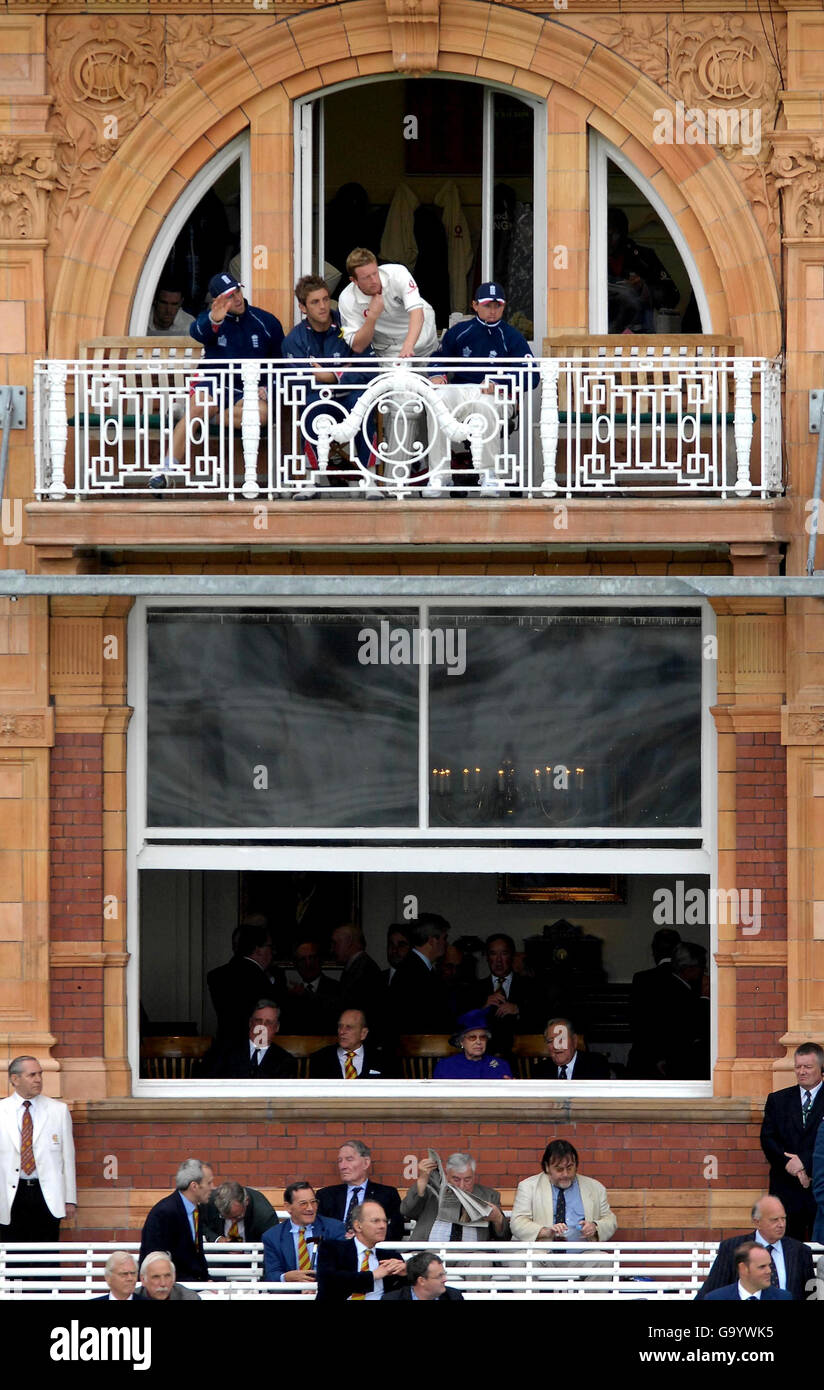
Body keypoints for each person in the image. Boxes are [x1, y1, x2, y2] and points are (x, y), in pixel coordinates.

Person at [151, 272, 283, 490]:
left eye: (237, 291)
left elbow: (281, 364)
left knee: (262, 414)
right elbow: (197, 332)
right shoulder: (211, 318)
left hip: (245, 390)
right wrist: (215, 319)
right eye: (229, 296)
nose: (237, 298)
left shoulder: (265, 321)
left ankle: (194, 416)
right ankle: (165, 471)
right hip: (214, 382)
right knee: (202, 406)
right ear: (218, 301)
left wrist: (269, 387)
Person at [337, 248, 439, 481]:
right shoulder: (347, 299)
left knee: (433, 403)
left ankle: (429, 469)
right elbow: (358, 346)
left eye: (375, 273)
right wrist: (372, 316)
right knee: (403, 404)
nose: (374, 280)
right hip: (389, 350)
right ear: (353, 280)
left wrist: (408, 347)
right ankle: (397, 478)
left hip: (422, 338)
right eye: (366, 277)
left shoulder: (396, 273)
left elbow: (417, 314)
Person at [428, 282, 537, 495]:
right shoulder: (460, 331)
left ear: (504, 307)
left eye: (498, 306)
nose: (493, 311)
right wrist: (437, 375)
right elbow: (438, 359)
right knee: (436, 401)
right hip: (462, 391)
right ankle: (439, 476)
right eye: (487, 305)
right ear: (475, 305)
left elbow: (532, 375)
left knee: (485, 406)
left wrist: (501, 382)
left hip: (498, 395)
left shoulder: (512, 336)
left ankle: (489, 475)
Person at [281, 274, 377, 492]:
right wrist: (345, 369)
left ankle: (368, 478)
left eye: (325, 299)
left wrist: (332, 376)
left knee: (363, 400)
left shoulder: (349, 325)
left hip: (349, 398)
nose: (323, 306)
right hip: (317, 401)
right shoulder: (294, 340)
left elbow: (369, 369)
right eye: (315, 302)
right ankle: (311, 478)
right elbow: (300, 382)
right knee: (309, 405)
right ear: (302, 307)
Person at [0, 1055, 76, 1241]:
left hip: (46, 1194)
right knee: (12, 1257)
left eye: (40, 1074)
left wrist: (70, 1199)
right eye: (32, 1075)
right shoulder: (2, 1110)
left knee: (47, 1255)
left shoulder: (58, 1110)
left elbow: (68, 1158)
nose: (38, 1079)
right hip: (10, 1194)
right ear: (14, 1079)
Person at [760, 1041, 824, 1239]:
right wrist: (790, 1164)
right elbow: (768, 1139)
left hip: (818, 1192)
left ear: (821, 1068)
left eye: (808, 1066)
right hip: (786, 1191)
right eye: (798, 1067)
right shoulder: (778, 1100)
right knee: (788, 1254)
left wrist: (804, 1162)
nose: (802, 1071)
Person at [696, 1195, 813, 1300]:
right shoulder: (733, 1248)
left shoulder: (800, 1251)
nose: (781, 1224)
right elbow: (710, 1290)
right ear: (757, 1222)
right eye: (774, 1220)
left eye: (783, 1218)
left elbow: (811, 1295)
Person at [511, 1139, 617, 1245]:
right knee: (525, 1261)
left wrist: (595, 1227)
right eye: (559, 1169)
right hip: (541, 1254)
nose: (565, 1174)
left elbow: (610, 1221)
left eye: (570, 1168)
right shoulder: (528, 1187)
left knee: (603, 1261)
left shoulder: (595, 1188)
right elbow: (517, 1223)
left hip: (582, 1255)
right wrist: (546, 1231)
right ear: (547, 1167)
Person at [400, 1151, 509, 1243]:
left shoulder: (489, 1195)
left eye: (467, 1180)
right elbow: (407, 1211)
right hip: (430, 1251)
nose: (461, 1186)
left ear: (474, 1176)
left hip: (472, 1255)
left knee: (481, 1262)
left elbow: (504, 1238)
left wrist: (498, 1219)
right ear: (447, 1176)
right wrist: (423, 1179)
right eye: (456, 1179)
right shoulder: (430, 1191)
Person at [206, 924, 286, 1045]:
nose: (273, 952)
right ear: (257, 949)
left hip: (225, 1051)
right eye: (270, 946)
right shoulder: (262, 979)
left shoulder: (217, 975)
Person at [138, 1158, 214, 1283]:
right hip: (170, 1287)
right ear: (194, 1186)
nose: (213, 1187)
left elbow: (197, 1254)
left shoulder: (197, 1210)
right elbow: (154, 1259)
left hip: (194, 1285)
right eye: (209, 1183)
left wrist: (207, 1280)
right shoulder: (163, 1213)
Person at [315, 1199, 407, 1302]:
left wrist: (406, 1273)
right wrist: (372, 1276)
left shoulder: (391, 1259)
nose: (383, 1226)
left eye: (385, 1221)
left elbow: (405, 1292)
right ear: (358, 1226)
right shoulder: (332, 1249)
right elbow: (328, 1281)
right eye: (375, 1221)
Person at [606, 207, 680, 333]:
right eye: (603, 234)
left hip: (640, 337)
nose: (607, 240)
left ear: (624, 233)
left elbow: (672, 297)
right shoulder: (591, 259)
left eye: (612, 234)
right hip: (602, 333)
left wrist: (644, 288)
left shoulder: (643, 257)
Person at [471, 932, 543, 1057]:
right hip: (484, 1057)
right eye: (493, 954)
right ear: (487, 957)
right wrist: (482, 1008)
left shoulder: (531, 986)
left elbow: (542, 1018)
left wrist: (518, 1010)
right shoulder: (474, 989)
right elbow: (462, 1024)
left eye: (504, 954)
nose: (498, 960)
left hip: (522, 1057)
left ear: (512, 956)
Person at [316, 1138, 404, 1240]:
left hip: (371, 1249)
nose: (342, 1166)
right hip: (336, 1248)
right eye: (340, 1161)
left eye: (349, 1159)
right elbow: (318, 1227)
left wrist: (362, 1238)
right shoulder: (325, 1195)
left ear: (366, 1163)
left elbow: (396, 1230)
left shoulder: (387, 1194)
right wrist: (341, 1236)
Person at [262, 1181, 346, 1283]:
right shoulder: (272, 1236)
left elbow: (342, 1267)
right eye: (303, 1204)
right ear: (288, 1207)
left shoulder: (334, 1229)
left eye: (313, 1202)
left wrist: (317, 1281)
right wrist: (287, 1277)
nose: (310, 1208)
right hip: (290, 1293)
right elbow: (271, 1274)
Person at [627, 926, 681, 1077]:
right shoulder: (688, 979)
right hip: (680, 1059)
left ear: (654, 951)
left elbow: (635, 1021)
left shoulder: (641, 979)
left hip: (645, 1059)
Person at [389, 912, 451, 1033]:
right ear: (432, 941)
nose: (446, 943)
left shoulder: (415, 968)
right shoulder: (411, 973)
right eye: (444, 938)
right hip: (419, 1048)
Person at [204, 1000, 297, 1080]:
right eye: (258, 1021)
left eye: (268, 1022)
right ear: (250, 1023)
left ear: (277, 1027)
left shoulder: (286, 1061)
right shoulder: (223, 1051)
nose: (262, 1027)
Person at [281, 938, 340, 1034]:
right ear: (296, 965)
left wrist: (307, 995)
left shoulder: (336, 988)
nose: (308, 964)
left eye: (312, 958)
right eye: (302, 960)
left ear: (320, 960)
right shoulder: (291, 994)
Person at [433, 1009, 512, 1079]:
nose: (478, 1042)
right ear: (461, 1041)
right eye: (472, 1037)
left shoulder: (501, 1065)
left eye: (482, 1037)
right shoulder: (445, 1066)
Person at [701, 1242, 793, 1302]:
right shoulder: (715, 1298)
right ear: (743, 1268)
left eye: (769, 1265)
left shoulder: (783, 1298)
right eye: (762, 1267)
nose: (769, 1271)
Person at [309, 1008, 384, 1079]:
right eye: (340, 1026)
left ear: (363, 1033)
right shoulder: (320, 1059)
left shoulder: (381, 1059)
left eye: (349, 1027)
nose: (342, 1032)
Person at [331, 923, 384, 1023]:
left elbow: (345, 1005)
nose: (332, 949)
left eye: (335, 943)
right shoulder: (359, 965)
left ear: (349, 941)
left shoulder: (364, 968)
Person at [533, 1017, 611, 1080]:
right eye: (550, 1041)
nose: (556, 1046)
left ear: (574, 1040)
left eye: (561, 1039)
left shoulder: (596, 1064)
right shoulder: (540, 1071)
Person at [202, 1180, 278, 1243]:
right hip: (219, 1256)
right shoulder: (209, 1201)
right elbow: (199, 1224)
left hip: (252, 1257)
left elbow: (272, 1247)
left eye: (237, 1216)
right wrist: (217, 1239)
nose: (233, 1222)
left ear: (246, 1201)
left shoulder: (264, 1215)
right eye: (226, 1217)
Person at [382, 1252, 464, 1301]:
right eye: (439, 1276)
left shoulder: (453, 1296)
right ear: (421, 1281)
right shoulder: (393, 1298)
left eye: (444, 1274)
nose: (445, 1279)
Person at [134, 1251, 201, 1302]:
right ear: (143, 1280)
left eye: (167, 1276)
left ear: (174, 1277)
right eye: (156, 1277)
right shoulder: (132, 1297)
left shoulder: (188, 1298)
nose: (163, 1283)